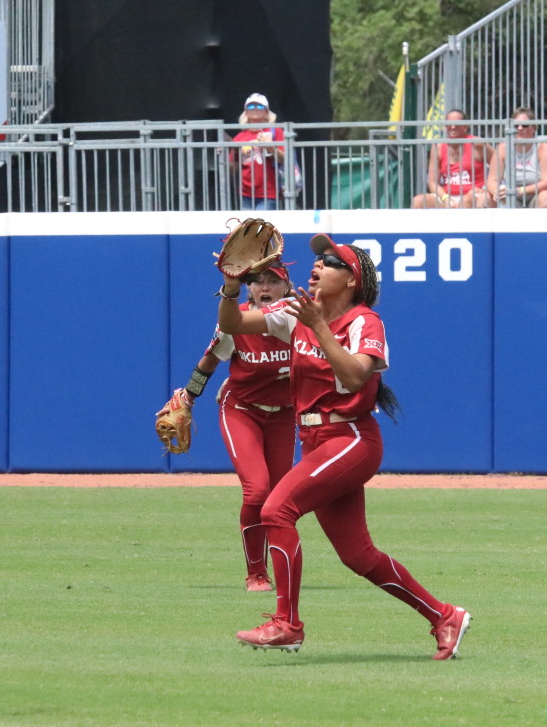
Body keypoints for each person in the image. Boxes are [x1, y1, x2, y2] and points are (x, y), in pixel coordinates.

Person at [217, 235, 470, 660]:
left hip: (351, 437)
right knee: (358, 555)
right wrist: (229, 285)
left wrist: (316, 325)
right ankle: (444, 616)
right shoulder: (294, 313)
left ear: (352, 280)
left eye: (330, 261)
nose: (317, 265)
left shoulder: (364, 322)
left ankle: (287, 624)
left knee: (275, 510)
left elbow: (355, 378)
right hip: (316, 442)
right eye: (316, 259)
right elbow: (233, 325)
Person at [163, 263, 297, 591]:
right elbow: (209, 361)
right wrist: (189, 396)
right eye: (257, 281)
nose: (264, 287)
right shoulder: (235, 322)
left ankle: (281, 567)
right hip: (242, 411)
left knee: (279, 500)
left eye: (273, 281)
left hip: (283, 415)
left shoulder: (299, 319)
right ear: (248, 288)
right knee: (257, 490)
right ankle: (256, 574)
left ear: (287, 285)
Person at [411, 109, 496, 208]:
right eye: (449, 124)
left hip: (473, 195)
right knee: (417, 201)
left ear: (465, 126)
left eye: (457, 124)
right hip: (447, 195)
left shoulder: (477, 143)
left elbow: (498, 164)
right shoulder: (438, 146)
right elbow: (433, 182)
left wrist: (487, 187)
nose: (452, 127)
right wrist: (446, 198)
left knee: (466, 201)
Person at [488, 107, 547, 208]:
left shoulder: (544, 146)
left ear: (533, 128)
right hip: (515, 196)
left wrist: (520, 191)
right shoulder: (502, 148)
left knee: (544, 197)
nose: (520, 128)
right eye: (516, 125)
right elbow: (492, 180)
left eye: (525, 125)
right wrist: (497, 191)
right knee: (485, 197)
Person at [229, 93, 285, 210]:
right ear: (246, 112)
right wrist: (223, 152)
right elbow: (232, 168)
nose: (255, 109)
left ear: (266, 112)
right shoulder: (239, 137)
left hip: (269, 192)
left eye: (259, 107)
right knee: (250, 228)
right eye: (250, 107)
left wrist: (269, 146)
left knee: (260, 227)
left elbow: (285, 159)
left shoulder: (275, 131)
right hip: (245, 193)